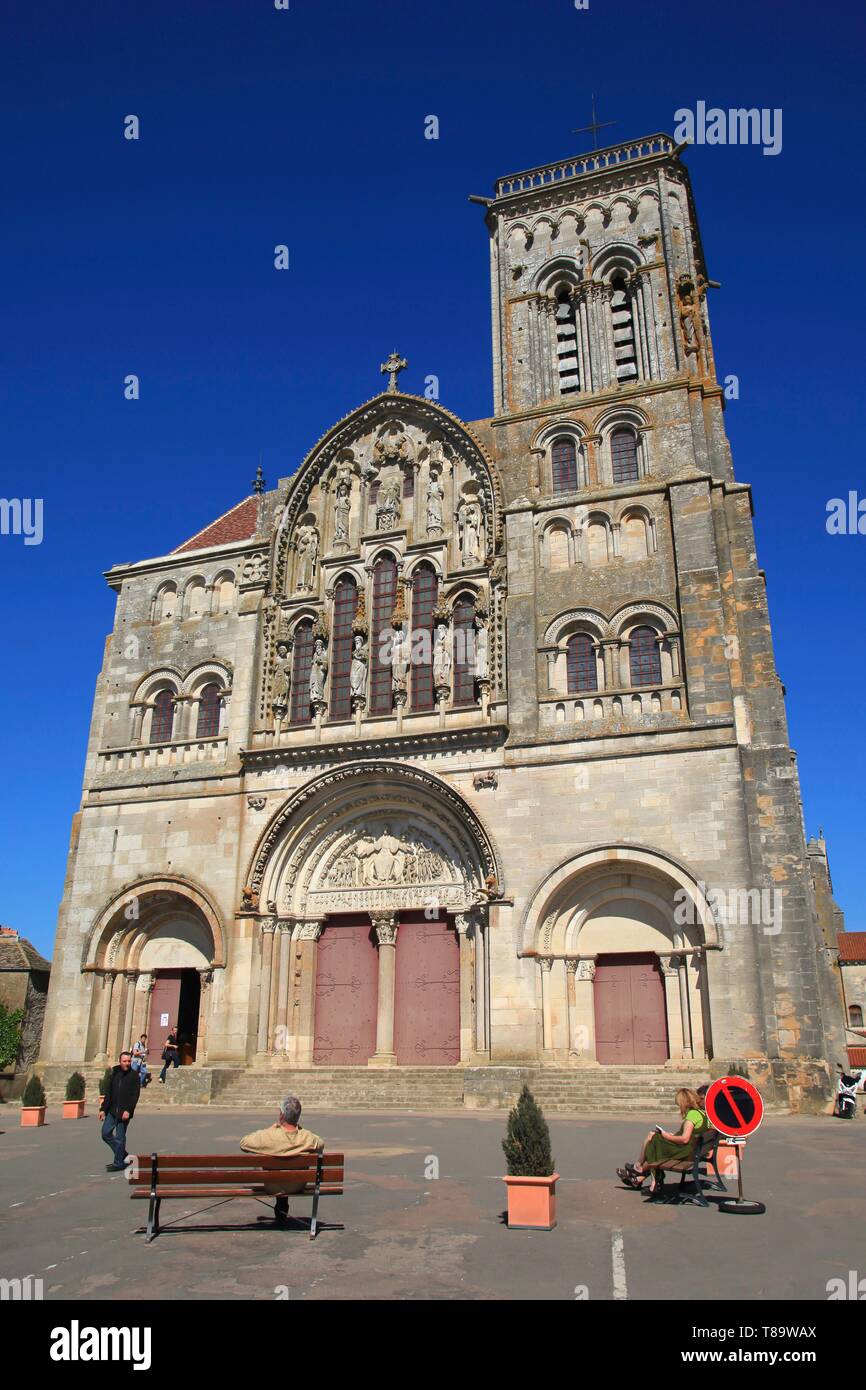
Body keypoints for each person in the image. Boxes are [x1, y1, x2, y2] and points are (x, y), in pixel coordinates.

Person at [240, 1095, 324, 1224]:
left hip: (272, 1186)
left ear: (281, 1115)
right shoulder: (307, 1137)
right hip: (297, 1185)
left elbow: (244, 1143)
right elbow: (320, 1143)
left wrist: (271, 1129)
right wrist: (300, 1131)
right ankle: (283, 1207)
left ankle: (281, 1207)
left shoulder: (268, 1136)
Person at [617, 1087, 709, 1194]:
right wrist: (672, 1135)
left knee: (654, 1140)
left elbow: (684, 1139)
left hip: (683, 1151)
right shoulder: (702, 1114)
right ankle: (638, 1178)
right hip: (691, 1150)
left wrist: (666, 1136)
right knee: (654, 1138)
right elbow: (691, 1135)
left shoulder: (692, 1115)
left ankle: (641, 1171)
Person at [99, 1050, 141, 1171]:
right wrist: (103, 1109)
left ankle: (118, 1162)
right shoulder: (115, 1073)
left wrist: (129, 1110)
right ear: (120, 1061)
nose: (127, 1063)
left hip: (124, 1113)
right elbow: (109, 1092)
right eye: (125, 1061)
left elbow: (135, 1096)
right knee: (105, 1133)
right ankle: (122, 1154)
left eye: (129, 1061)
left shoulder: (134, 1076)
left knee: (120, 1137)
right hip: (112, 1111)